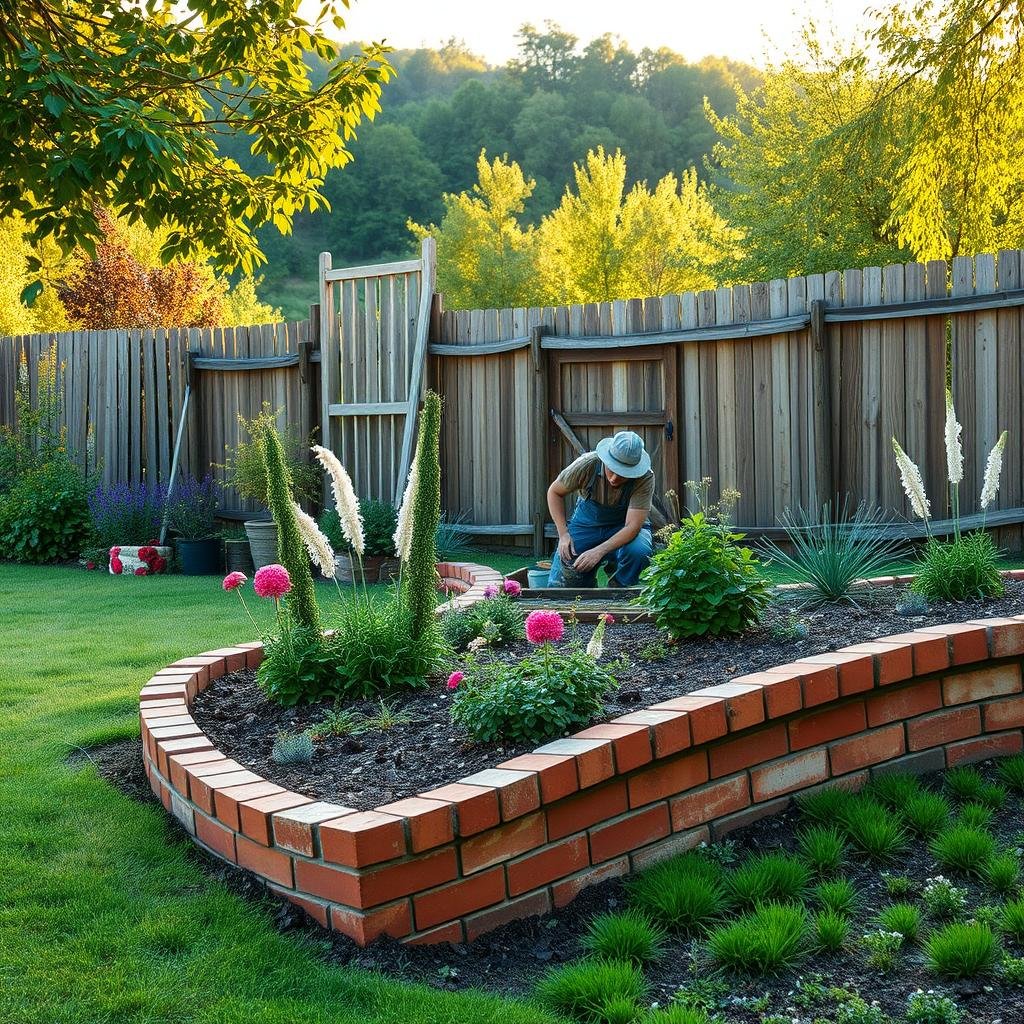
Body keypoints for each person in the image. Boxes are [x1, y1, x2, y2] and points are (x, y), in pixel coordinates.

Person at [547, 430, 655, 588]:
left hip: (624, 525)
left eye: (623, 474)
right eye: (612, 469)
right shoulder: (587, 464)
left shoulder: (645, 477)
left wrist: (599, 551)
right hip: (587, 523)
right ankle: (583, 588)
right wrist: (563, 535)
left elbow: (632, 526)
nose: (614, 479)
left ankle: (619, 589)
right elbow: (554, 492)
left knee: (638, 551)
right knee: (567, 560)